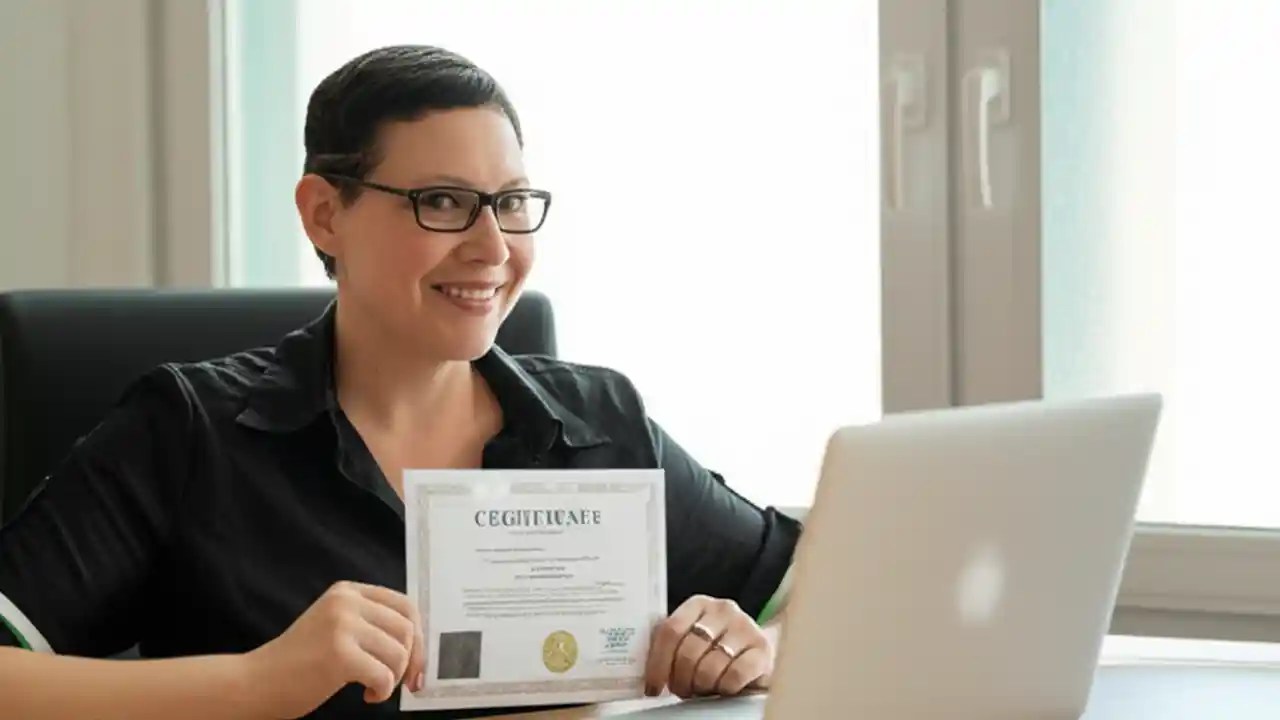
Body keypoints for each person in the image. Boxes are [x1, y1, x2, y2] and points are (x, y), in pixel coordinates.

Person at [0, 45, 800, 719]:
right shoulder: (186, 433)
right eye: (442, 201)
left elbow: (823, 592)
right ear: (324, 215)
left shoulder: (601, 423)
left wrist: (749, 644)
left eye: (512, 202)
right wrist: (258, 682)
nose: (493, 246)